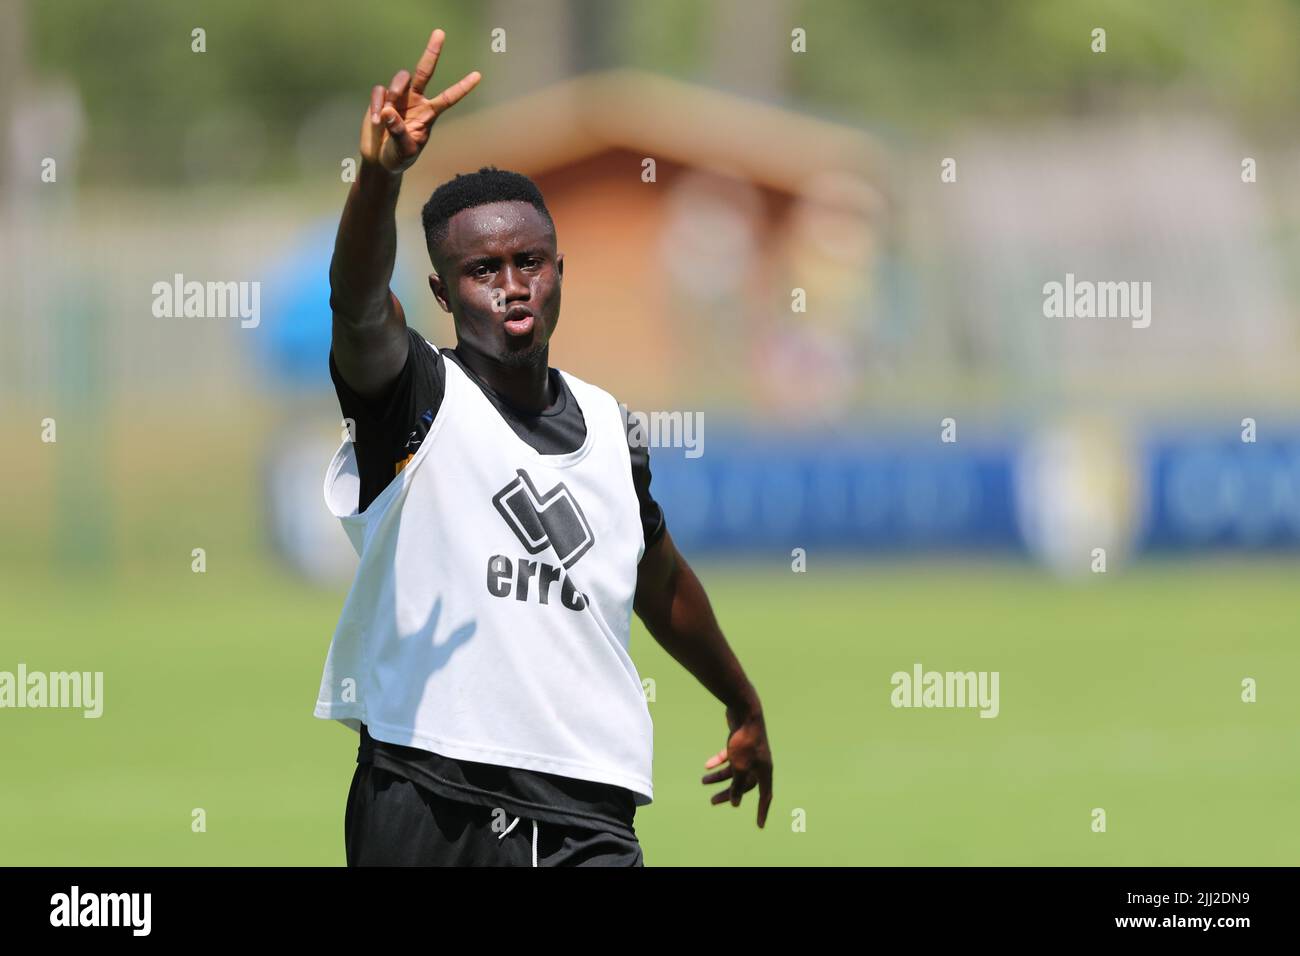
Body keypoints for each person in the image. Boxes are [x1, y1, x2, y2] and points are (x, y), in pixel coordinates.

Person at [316, 27, 772, 866]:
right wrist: (379, 175)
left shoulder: (608, 428)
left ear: (561, 269)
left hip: (584, 804)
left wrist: (742, 703)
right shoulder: (415, 399)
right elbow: (353, 302)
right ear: (441, 293)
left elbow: (657, 577)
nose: (512, 285)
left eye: (530, 262)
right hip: (426, 793)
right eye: (483, 270)